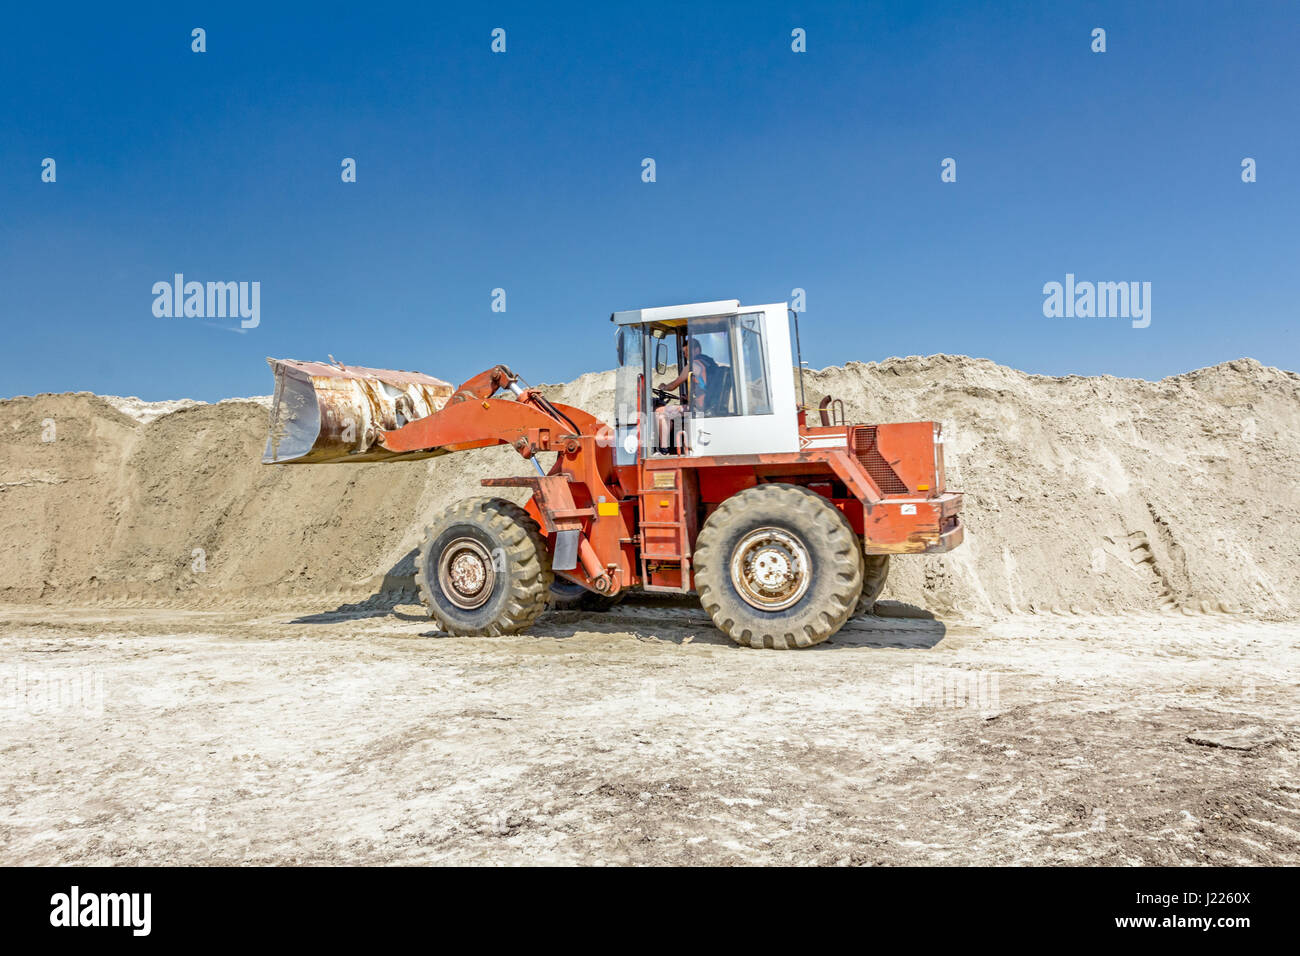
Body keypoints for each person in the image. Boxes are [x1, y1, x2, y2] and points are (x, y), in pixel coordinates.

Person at [654, 336, 714, 454]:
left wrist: (663, 387)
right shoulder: (709, 363)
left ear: (697, 350)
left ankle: (663, 450)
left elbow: (673, 385)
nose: (686, 355)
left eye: (687, 351)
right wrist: (690, 399)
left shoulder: (693, 364)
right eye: (684, 352)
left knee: (660, 412)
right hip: (708, 405)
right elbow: (706, 387)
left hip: (698, 408)